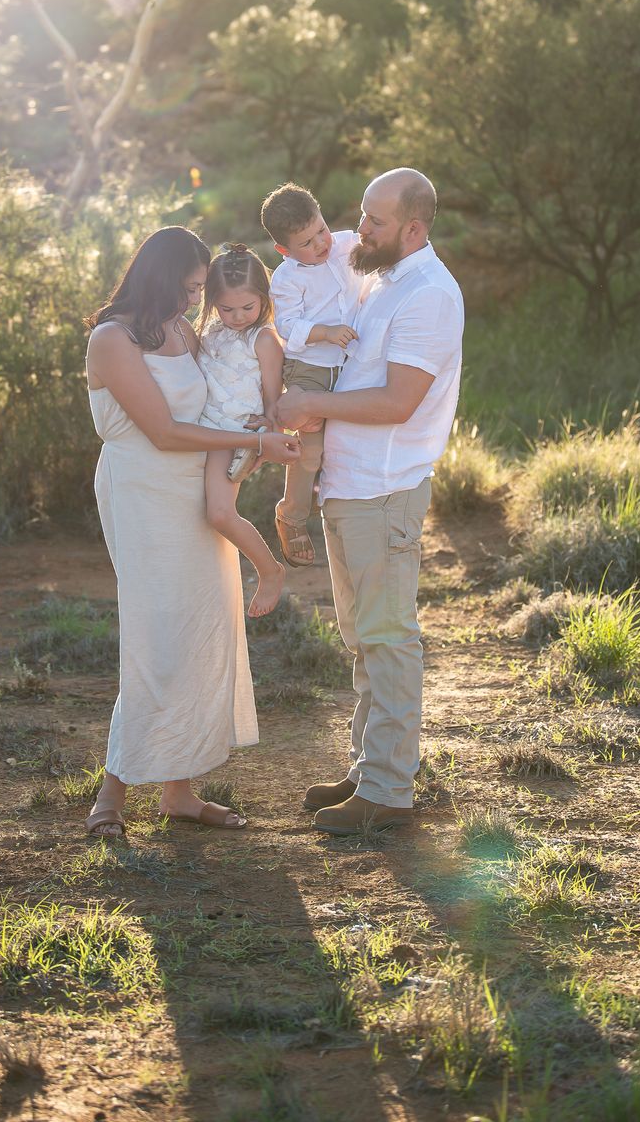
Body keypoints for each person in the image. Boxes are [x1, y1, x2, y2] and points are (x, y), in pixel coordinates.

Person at [83, 226, 301, 836]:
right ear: (159, 279)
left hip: (197, 493)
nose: (193, 301)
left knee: (204, 629)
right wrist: (253, 441)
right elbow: (164, 432)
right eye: (188, 288)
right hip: (144, 494)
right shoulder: (112, 339)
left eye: (199, 290)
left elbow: (222, 392)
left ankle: (179, 792)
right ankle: (113, 792)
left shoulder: (183, 330)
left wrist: (260, 422)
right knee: (156, 637)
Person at [276, 169, 464, 836]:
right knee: (362, 638)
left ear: (413, 228)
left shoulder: (430, 295)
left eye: (376, 220)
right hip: (348, 489)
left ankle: (388, 790)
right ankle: (367, 768)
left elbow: (397, 400)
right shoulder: (380, 276)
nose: (361, 229)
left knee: (387, 637)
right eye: (361, 214)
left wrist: (310, 404)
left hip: (384, 492)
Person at [260, 183, 367, 568]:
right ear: (284, 251)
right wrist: (324, 332)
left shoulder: (344, 244)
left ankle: (353, 515)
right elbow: (287, 325)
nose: (320, 244)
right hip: (310, 367)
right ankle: (292, 514)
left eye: (321, 229)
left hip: (350, 361)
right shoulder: (288, 279)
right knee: (313, 450)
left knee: (349, 440)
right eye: (306, 242)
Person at [197, 243, 288, 618]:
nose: (237, 317)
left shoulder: (264, 339)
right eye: (227, 308)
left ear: (263, 299)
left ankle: (269, 570)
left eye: (247, 308)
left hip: (233, 434)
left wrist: (266, 440)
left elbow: (273, 397)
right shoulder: (206, 332)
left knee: (219, 513)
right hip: (198, 431)